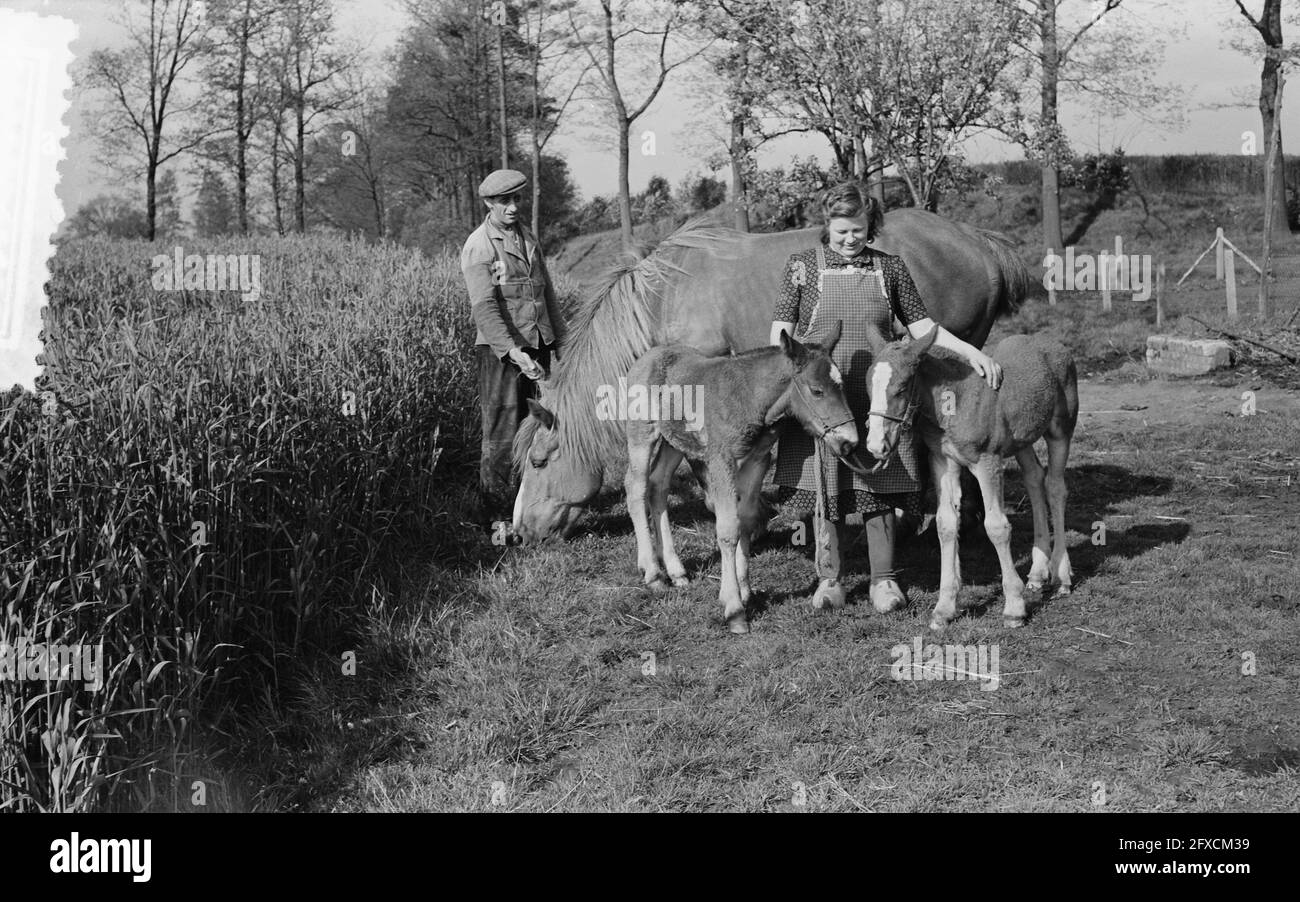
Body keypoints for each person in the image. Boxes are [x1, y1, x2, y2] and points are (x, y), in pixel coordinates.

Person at [769, 181, 1002, 612]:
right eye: (841, 231)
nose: (850, 238)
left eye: (857, 229)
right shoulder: (801, 266)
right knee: (828, 488)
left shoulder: (890, 268)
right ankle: (831, 579)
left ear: (870, 225)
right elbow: (780, 334)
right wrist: (804, 375)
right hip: (824, 396)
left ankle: (883, 580)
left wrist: (973, 354)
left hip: (881, 396)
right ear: (827, 225)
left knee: (881, 485)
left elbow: (922, 328)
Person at [461, 168, 567, 514]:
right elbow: (485, 308)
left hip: (538, 345)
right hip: (501, 353)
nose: (512, 207)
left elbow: (546, 292)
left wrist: (561, 341)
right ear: (489, 203)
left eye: (516, 199)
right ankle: (494, 515)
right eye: (504, 201)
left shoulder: (528, 237)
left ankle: (528, 505)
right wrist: (511, 350)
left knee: (536, 426)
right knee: (502, 433)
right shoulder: (479, 246)